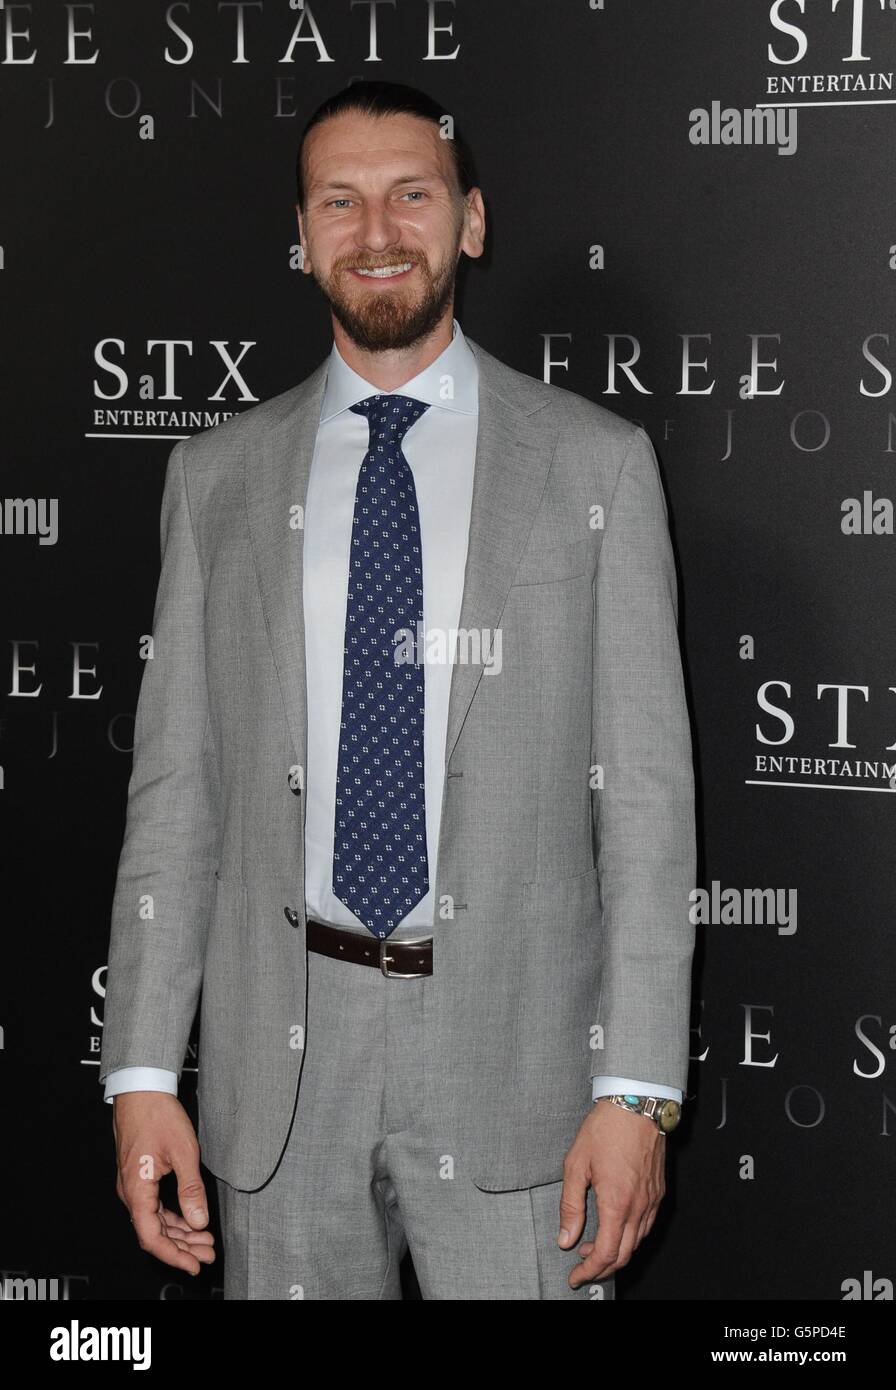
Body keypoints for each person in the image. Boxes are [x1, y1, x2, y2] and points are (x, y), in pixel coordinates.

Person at [101, 79, 695, 1301]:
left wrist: (633, 1090)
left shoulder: (595, 465)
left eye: (410, 194)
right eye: (341, 201)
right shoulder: (214, 480)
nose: (377, 231)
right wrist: (143, 1075)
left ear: (469, 221)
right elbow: (178, 800)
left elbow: (642, 804)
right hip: (281, 1082)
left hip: (521, 1075)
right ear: (305, 235)